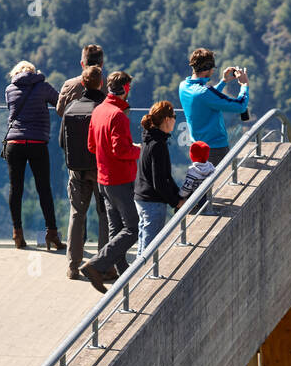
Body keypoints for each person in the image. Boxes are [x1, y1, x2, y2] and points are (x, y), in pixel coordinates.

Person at [80, 71, 141, 293]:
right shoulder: (118, 115)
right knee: (133, 228)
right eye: (129, 88)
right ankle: (95, 265)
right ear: (125, 89)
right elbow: (120, 150)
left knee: (116, 229)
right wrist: (137, 150)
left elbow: (91, 146)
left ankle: (122, 276)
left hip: (103, 179)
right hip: (121, 179)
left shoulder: (98, 111)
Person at [3, 60, 65, 250]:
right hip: (37, 142)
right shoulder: (43, 86)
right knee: (43, 188)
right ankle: (52, 233)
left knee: (16, 188)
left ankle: (17, 233)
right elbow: (59, 102)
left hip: (14, 143)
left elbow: (11, 111)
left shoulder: (9, 89)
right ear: (33, 72)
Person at [59, 64, 113, 279]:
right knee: (104, 216)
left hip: (76, 171)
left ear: (82, 84)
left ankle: (72, 267)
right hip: (100, 170)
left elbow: (63, 142)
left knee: (77, 215)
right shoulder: (104, 109)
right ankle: (103, 266)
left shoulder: (71, 108)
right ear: (102, 83)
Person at [178, 47, 250, 166]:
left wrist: (223, 81)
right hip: (215, 149)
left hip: (196, 147)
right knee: (219, 183)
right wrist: (244, 85)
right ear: (208, 69)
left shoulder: (183, 86)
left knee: (203, 182)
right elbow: (240, 106)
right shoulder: (204, 92)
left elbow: (205, 98)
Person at [134, 101, 182, 256]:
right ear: (167, 119)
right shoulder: (158, 144)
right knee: (150, 249)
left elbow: (165, 176)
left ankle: (137, 276)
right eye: (174, 116)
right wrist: (176, 201)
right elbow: (160, 182)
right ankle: (143, 278)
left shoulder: (149, 138)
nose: (175, 120)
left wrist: (178, 195)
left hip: (142, 197)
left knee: (143, 242)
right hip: (152, 201)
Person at [56, 43, 104, 116]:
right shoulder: (111, 86)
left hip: (74, 127)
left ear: (82, 64)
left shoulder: (69, 85)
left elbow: (60, 111)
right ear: (102, 64)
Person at [179, 141, 215, 208]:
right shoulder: (211, 167)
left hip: (195, 197)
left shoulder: (192, 171)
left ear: (192, 156)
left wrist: (180, 195)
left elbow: (186, 188)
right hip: (207, 195)